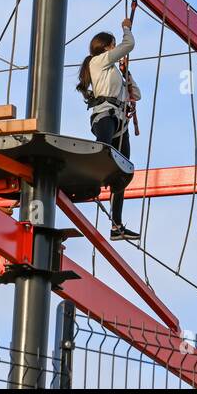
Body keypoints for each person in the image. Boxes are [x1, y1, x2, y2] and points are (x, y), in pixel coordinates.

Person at [77, 19, 142, 241]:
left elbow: (137, 94)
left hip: (119, 120)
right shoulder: (99, 62)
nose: (116, 50)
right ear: (106, 47)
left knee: (122, 172)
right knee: (103, 152)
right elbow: (129, 45)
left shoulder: (112, 71)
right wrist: (126, 28)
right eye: (113, 45)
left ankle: (117, 225)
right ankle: (90, 181)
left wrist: (127, 73)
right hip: (105, 115)